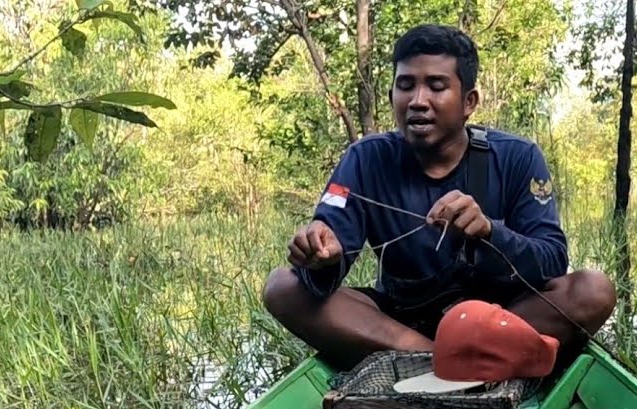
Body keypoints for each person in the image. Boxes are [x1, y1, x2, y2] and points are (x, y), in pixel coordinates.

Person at [262, 23, 617, 372]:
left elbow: (552, 259)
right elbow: (330, 237)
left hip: (497, 318)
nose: (418, 101)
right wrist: (320, 255)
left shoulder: (517, 156)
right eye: (406, 86)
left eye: (436, 86)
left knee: (593, 290)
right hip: (400, 326)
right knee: (283, 287)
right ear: (391, 97)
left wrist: (491, 234)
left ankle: (453, 356)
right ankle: (440, 358)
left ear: (469, 102)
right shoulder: (365, 158)